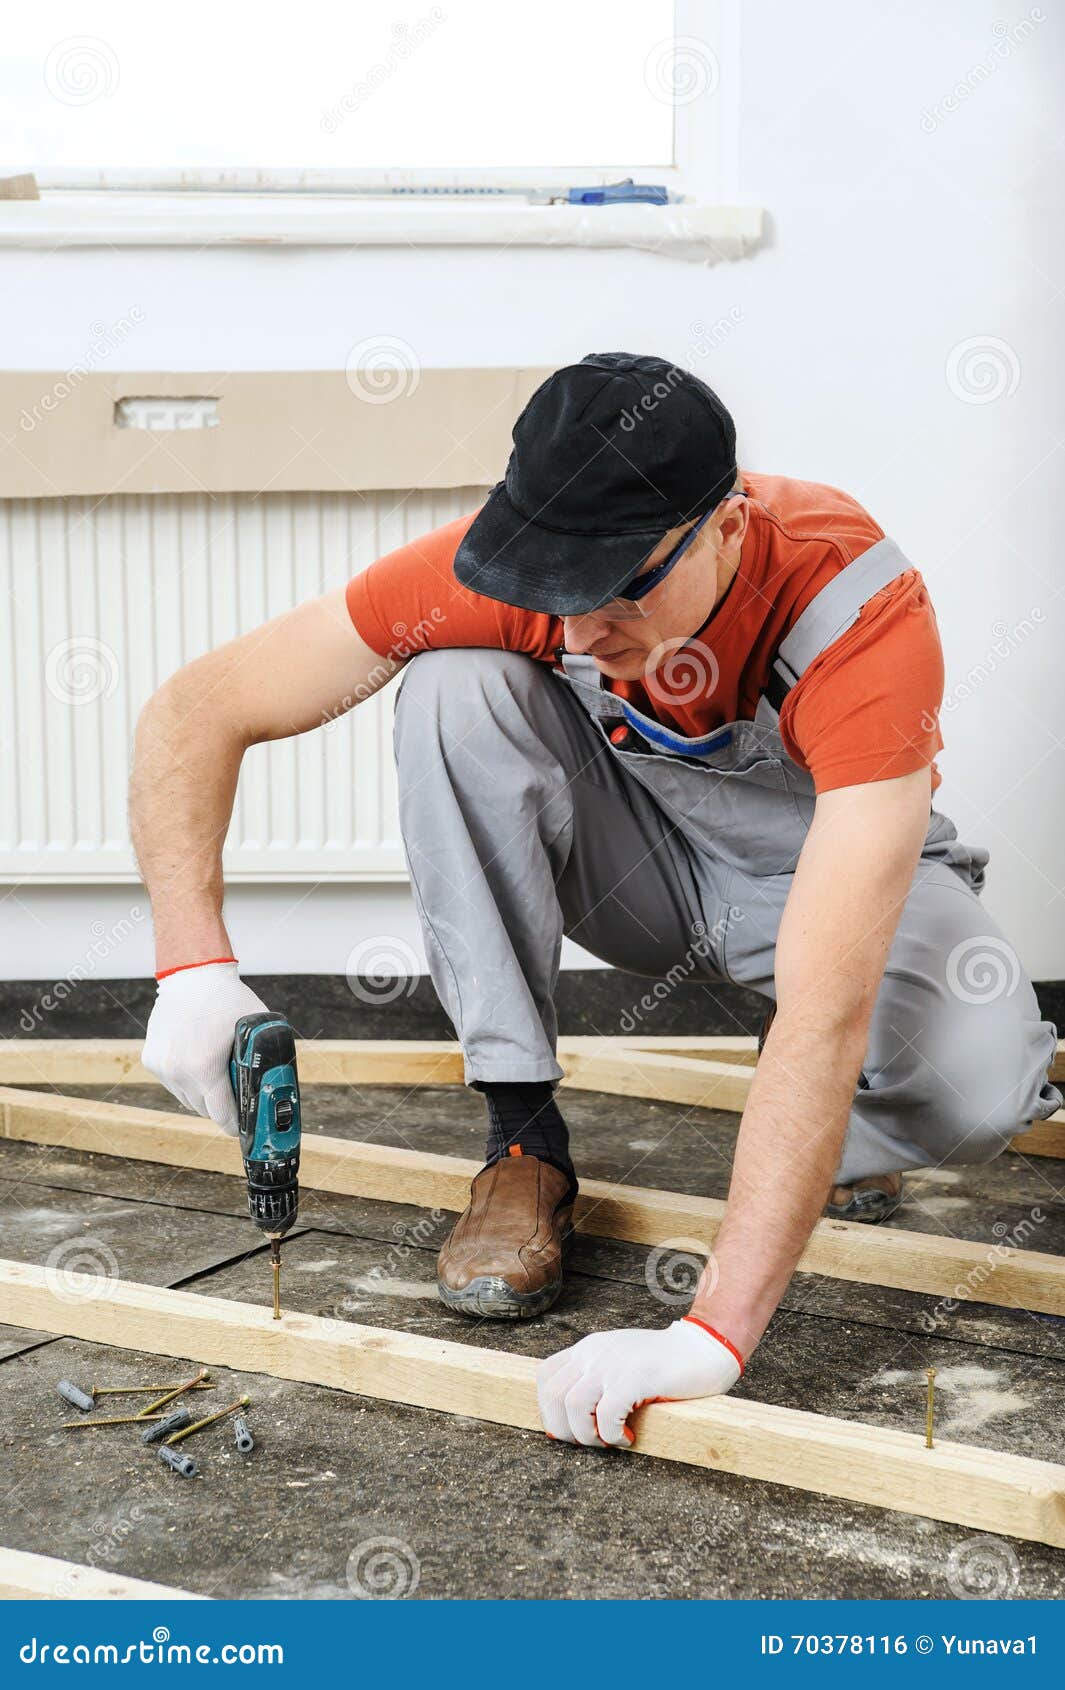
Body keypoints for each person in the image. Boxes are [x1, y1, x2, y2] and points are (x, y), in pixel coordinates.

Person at [132, 353, 1059, 1451]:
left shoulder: (857, 611)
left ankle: (825, 1139)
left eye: (616, 588)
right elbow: (198, 708)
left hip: (812, 880)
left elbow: (827, 1006)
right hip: (641, 872)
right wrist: (191, 970)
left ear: (724, 525)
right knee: (453, 684)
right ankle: (522, 1144)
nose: (576, 631)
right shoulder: (519, 573)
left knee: (980, 1091)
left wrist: (711, 1333)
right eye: (554, 588)